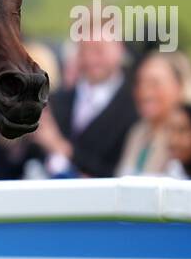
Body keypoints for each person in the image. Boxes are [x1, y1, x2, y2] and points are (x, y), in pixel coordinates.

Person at [34, 37, 137, 177]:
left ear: (119, 49)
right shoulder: (56, 101)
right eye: (83, 50)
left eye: (99, 51)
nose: (90, 59)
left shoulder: (136, 104)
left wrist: (61, 147)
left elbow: (119, 170)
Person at [115, 51, 191, 176]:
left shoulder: (186, 137)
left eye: (154, 84)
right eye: (140, 83)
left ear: (179, 86)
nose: (144, 92)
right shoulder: (137, 132)